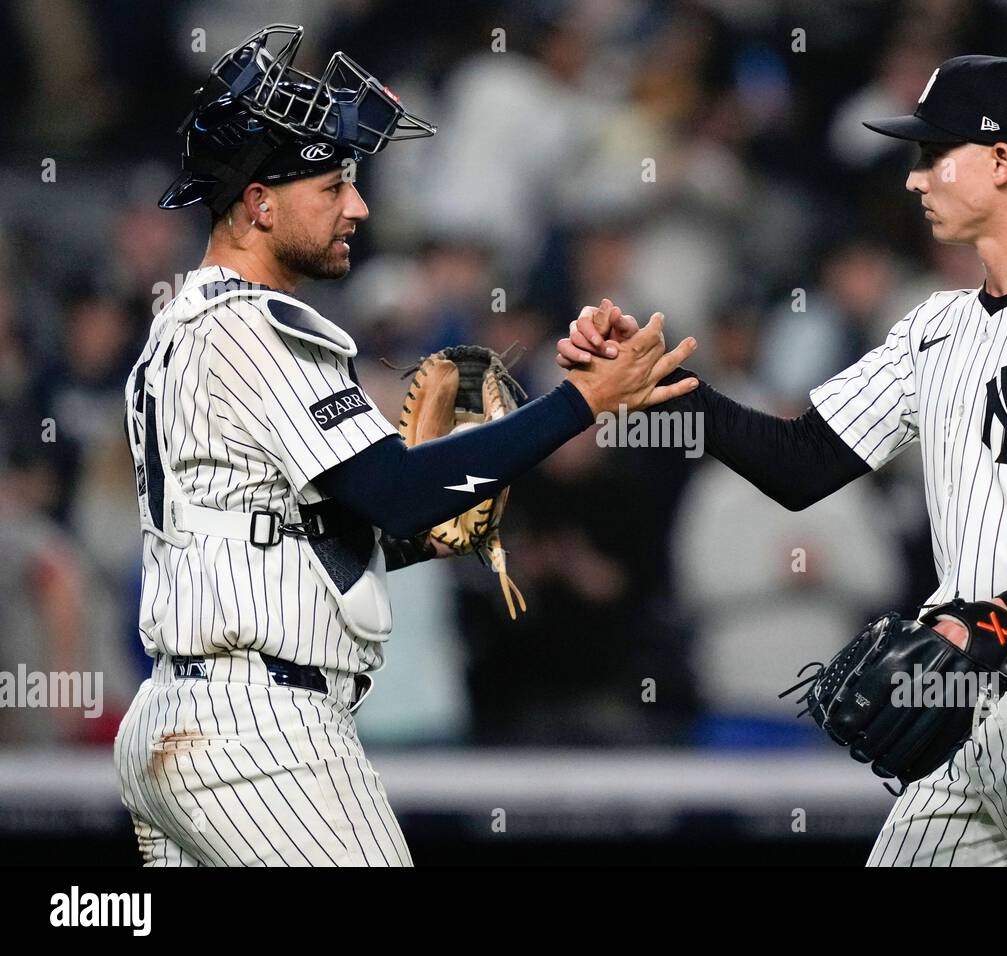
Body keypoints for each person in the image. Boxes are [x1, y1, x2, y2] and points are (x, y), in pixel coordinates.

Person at [558, 54, 1007, 866]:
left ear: (1002, 160)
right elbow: (801, 464)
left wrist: (995, 622)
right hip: (964, 690)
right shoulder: (931, 327)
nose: (914, 179)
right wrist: (658, 387)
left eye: (933, 154)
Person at [113, 24, 695, 867]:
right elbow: (402, 494)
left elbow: (357, 526)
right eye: (331, 184)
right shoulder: (255, 325)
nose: (359, 206)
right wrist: (579, 402)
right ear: (259, 202)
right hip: (256, 736)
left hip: (186, 719)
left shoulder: (182, 326)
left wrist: (521, 438)